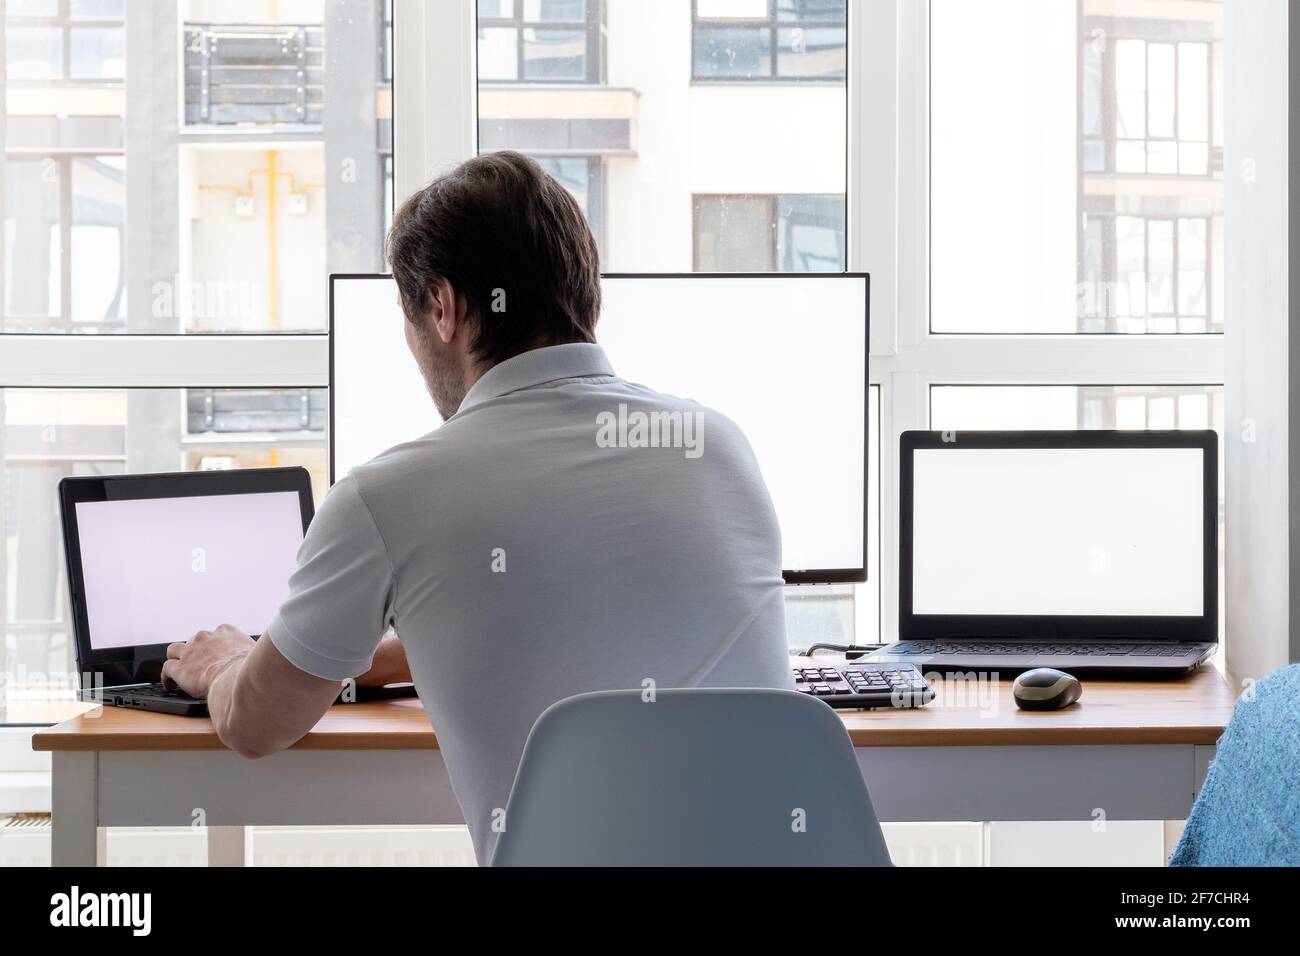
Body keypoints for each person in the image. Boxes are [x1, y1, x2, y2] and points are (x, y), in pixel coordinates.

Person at [161, 150, 792, 863]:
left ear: (442, 307)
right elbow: (567, 612)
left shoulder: (389, 494)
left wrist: (223, 666)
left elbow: (256, 724)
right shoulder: (715, 446)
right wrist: (354, 657)